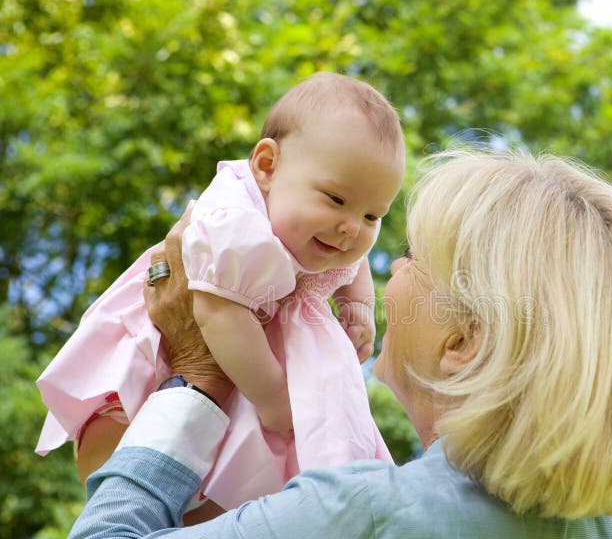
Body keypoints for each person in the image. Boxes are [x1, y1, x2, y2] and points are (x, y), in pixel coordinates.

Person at [46, 149, 612, 539]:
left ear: (463, 342)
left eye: (417, 257)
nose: (390, 265)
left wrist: (194, 379)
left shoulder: (366, 521)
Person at [35, 72, 405, 516]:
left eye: (372, 214)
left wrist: (357, 305)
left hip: (250, 352)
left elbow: (355, 262)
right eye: (336, 199)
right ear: (266, 166)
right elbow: (218, 314)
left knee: (260, 475)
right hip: (197, 347)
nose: (352, 228)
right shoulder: (235, 223)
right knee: (145, 433)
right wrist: (272, 399)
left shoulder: (324, 228)